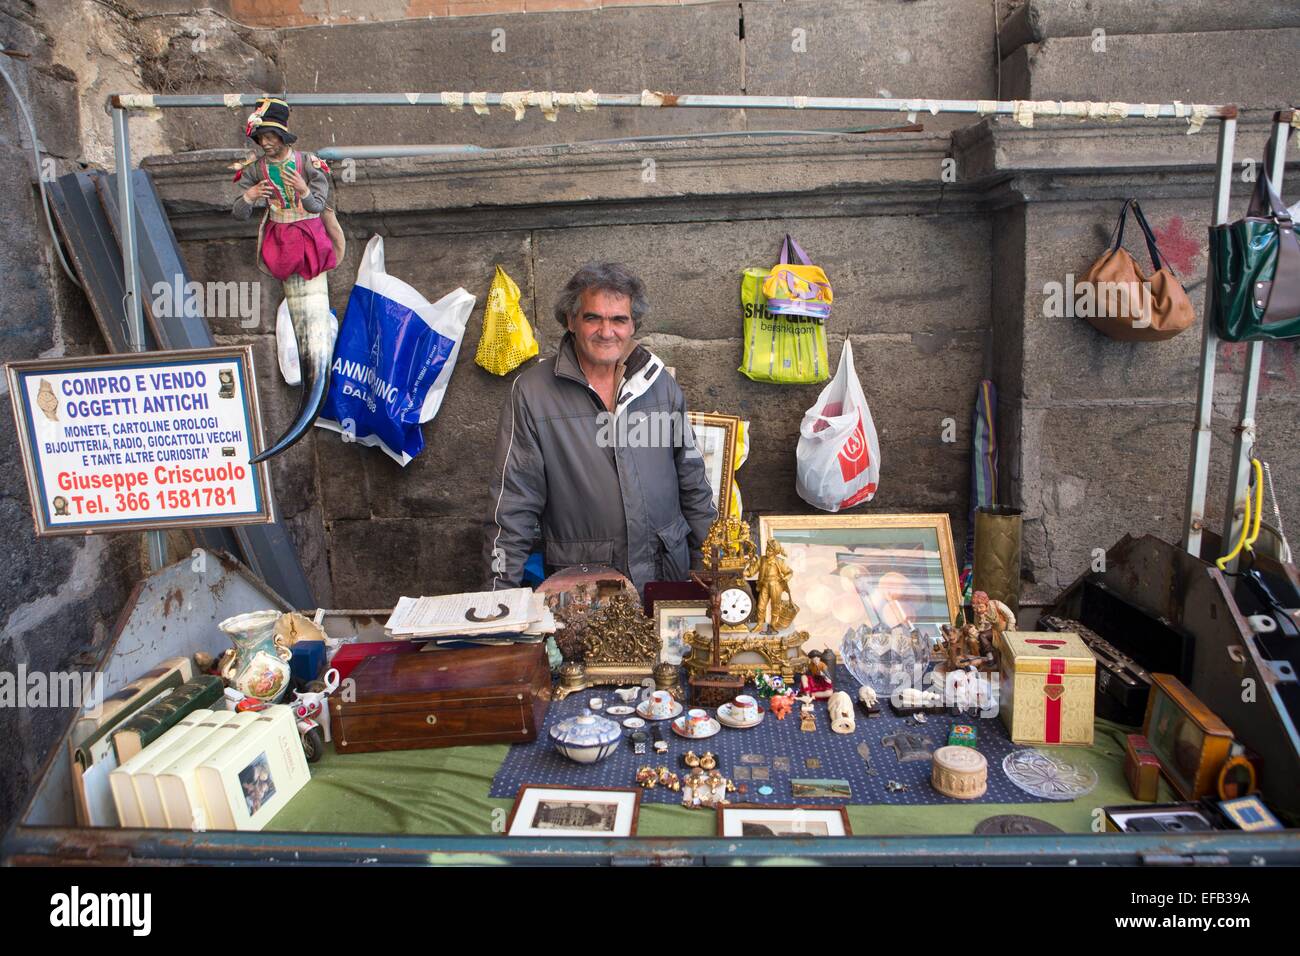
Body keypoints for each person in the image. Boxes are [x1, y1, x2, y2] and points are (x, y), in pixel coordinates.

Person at [482, 262, 717, 593]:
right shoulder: (534, 393)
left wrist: (714, 569)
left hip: (665, 577)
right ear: (571, 321)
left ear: (633, 324)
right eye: (593, 318)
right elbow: (512, 505)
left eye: (619, 320)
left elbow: (693, 484)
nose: (607, 332)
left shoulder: (659, 384)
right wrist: (499, 596)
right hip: (586, 588)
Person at [230, 97, 343, 462]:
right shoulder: (255, 169)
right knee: (300, 317)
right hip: (281, 242)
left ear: (283, 135)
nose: (266, 142)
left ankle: (314, 389)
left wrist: (306, 190)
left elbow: (318, 205)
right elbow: (238, 212)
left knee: (316, 334)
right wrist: (248, 197)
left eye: (271, 135)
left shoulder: (309, 164)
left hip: (309, 239)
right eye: (261, 136)